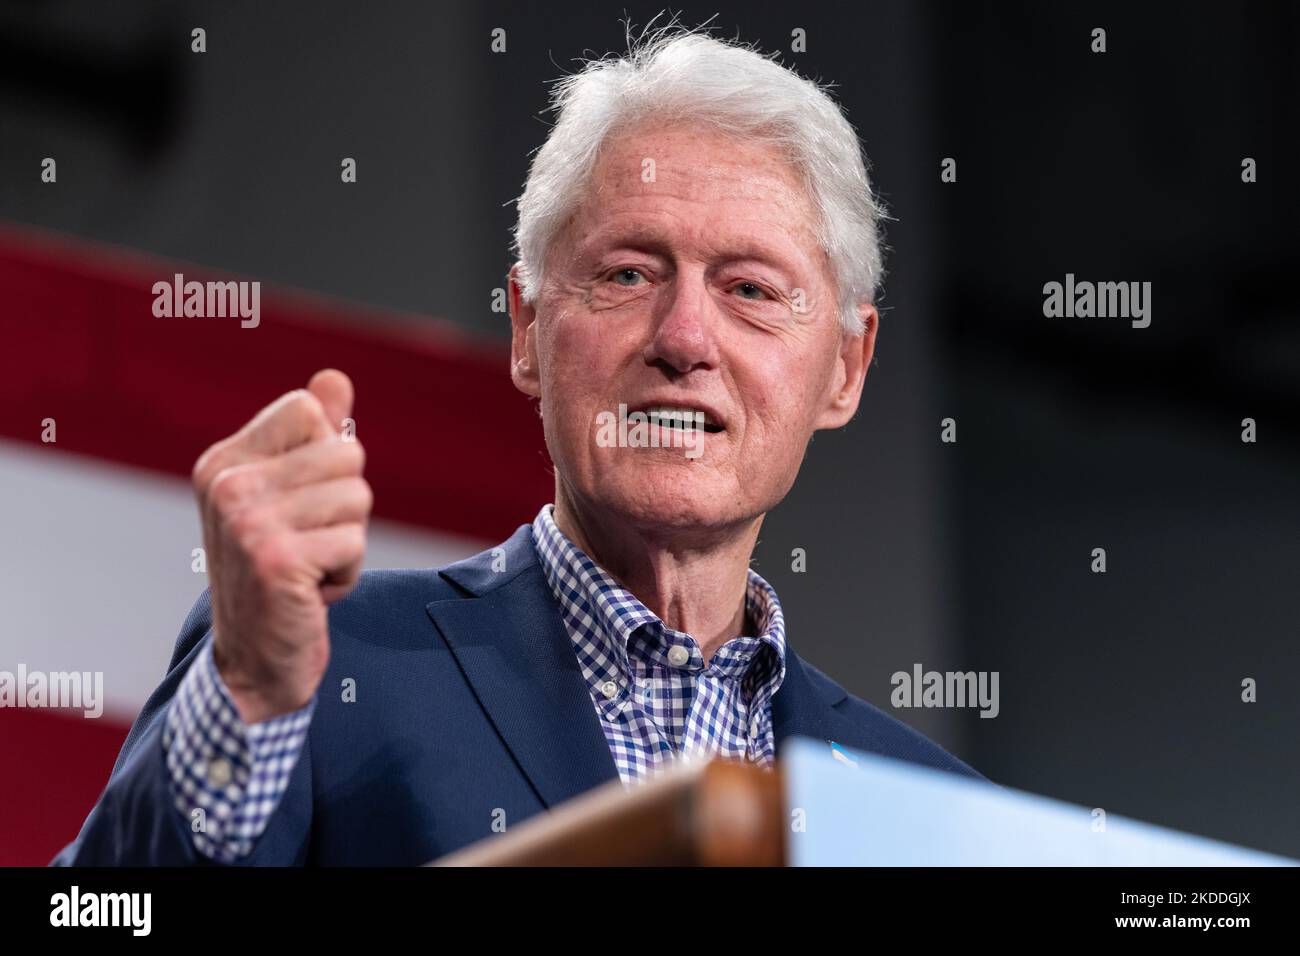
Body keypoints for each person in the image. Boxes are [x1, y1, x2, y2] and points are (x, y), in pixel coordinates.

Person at [55, 25, 982, 866]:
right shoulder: (318, 667)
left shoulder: (938, 816)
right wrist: (246, 700)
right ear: (528, 331)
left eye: (749, 289)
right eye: (628, 274)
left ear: (845, 368)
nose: (684, 338)